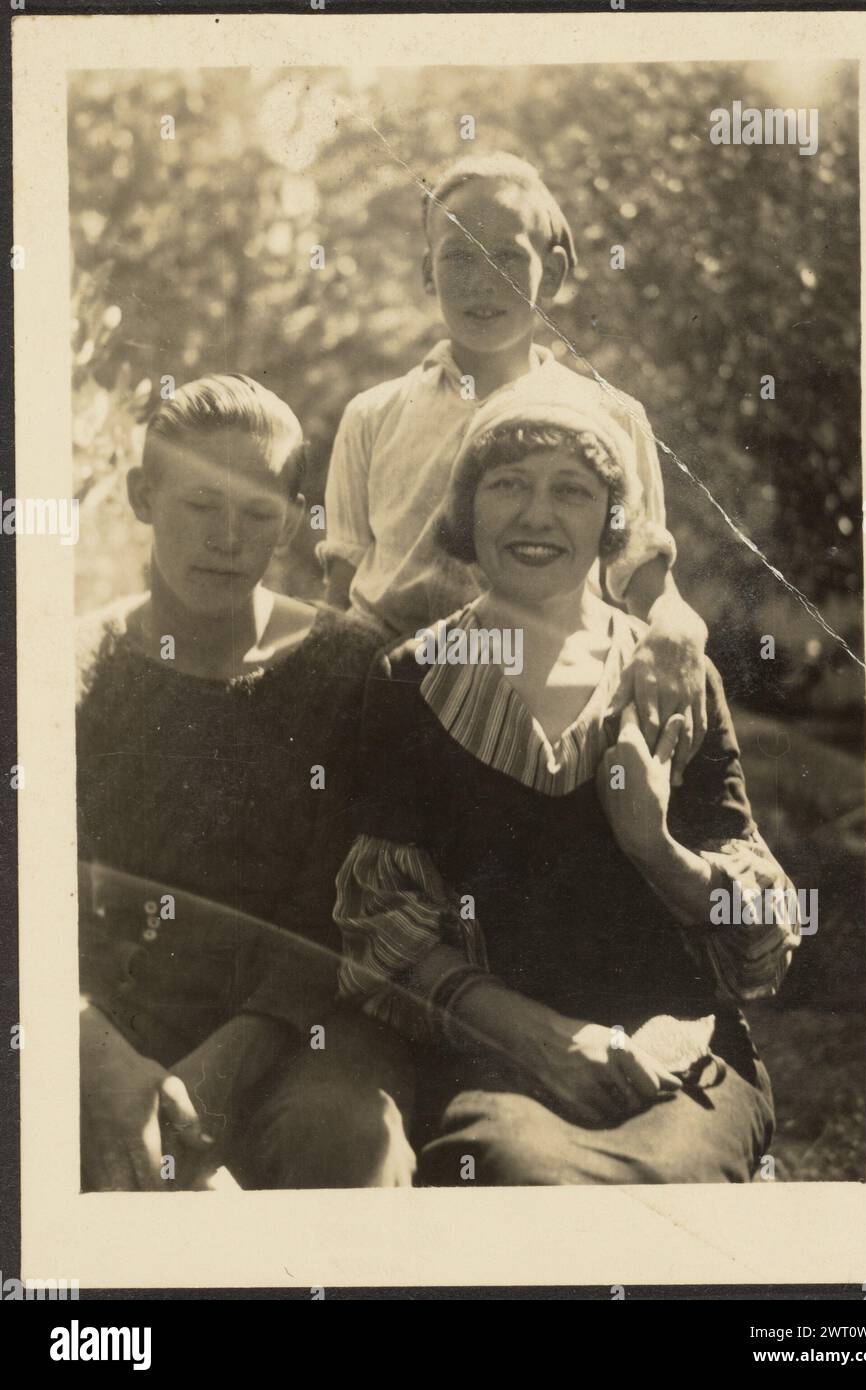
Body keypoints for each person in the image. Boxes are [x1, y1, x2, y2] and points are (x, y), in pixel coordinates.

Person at [333, 385, 801, 1185]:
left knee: (667, 1195)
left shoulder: (673, 683)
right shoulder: (409, 681)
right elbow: (381, 930)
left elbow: (763, 943)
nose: (536, 514)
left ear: (611, 522)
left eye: (571, 490)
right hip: (495, 1058)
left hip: (677, 1054)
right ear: (465, 513)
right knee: (513, 1172)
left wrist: (655, 849)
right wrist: (542, 1038)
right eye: (508, 483)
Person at [77, 373, 415, 1191]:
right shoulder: (74, 669)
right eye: (200, 504)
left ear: (292, 523)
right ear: (141, 497)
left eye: (258, 513)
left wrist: (213, 1077)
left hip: (303, 1026)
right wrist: (103, 1062)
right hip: (105, 1024)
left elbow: (338, 910)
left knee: (343, 1144)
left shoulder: (349, 668)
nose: (227, 537)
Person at [318, 150, 709, 783]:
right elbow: (340, 599)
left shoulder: (610, 417)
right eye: (459, 257)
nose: (481, 283)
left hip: (549, 702)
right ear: (427, 272)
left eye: (506, 256)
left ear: (550, 274)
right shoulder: (373, 415)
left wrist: (678, 633)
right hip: (399, 703)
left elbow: (650, 588)